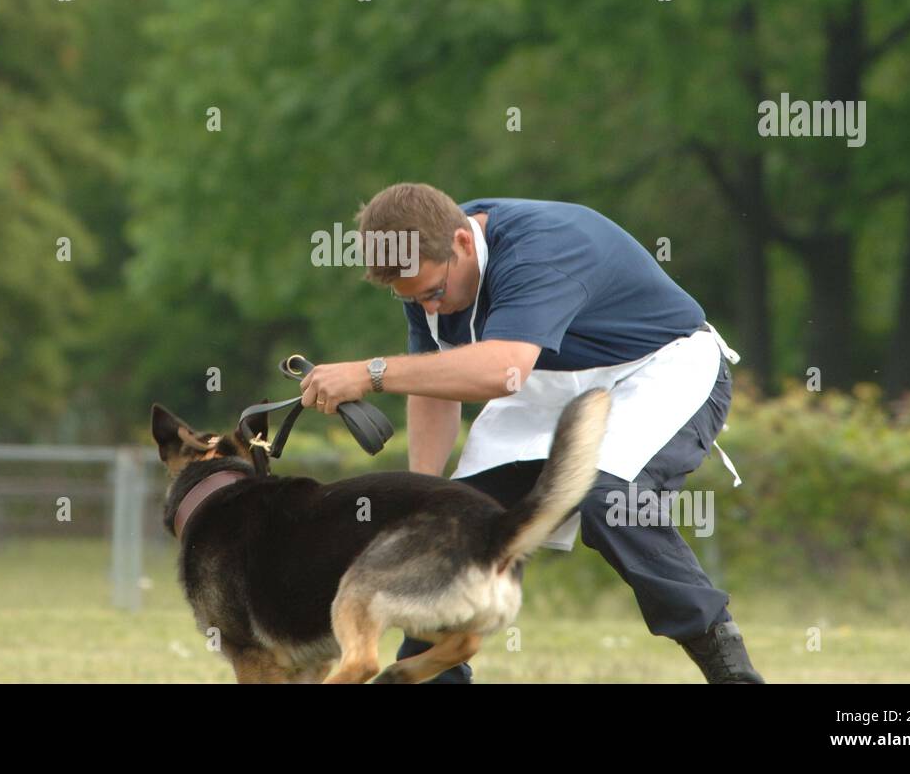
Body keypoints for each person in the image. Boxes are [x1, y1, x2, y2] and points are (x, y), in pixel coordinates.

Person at [298, 182, 764, 683]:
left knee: (609, 500)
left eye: (433, 293)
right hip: (544, 383)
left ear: (459, 242)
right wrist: (425, 495)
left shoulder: (541, 248)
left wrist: (369, 374)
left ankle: (732, 674)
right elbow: (434, 382)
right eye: (414, 300)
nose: (429, 309)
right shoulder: (428, 266)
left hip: (657, 369)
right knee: (452, 527)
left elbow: (502, 372)